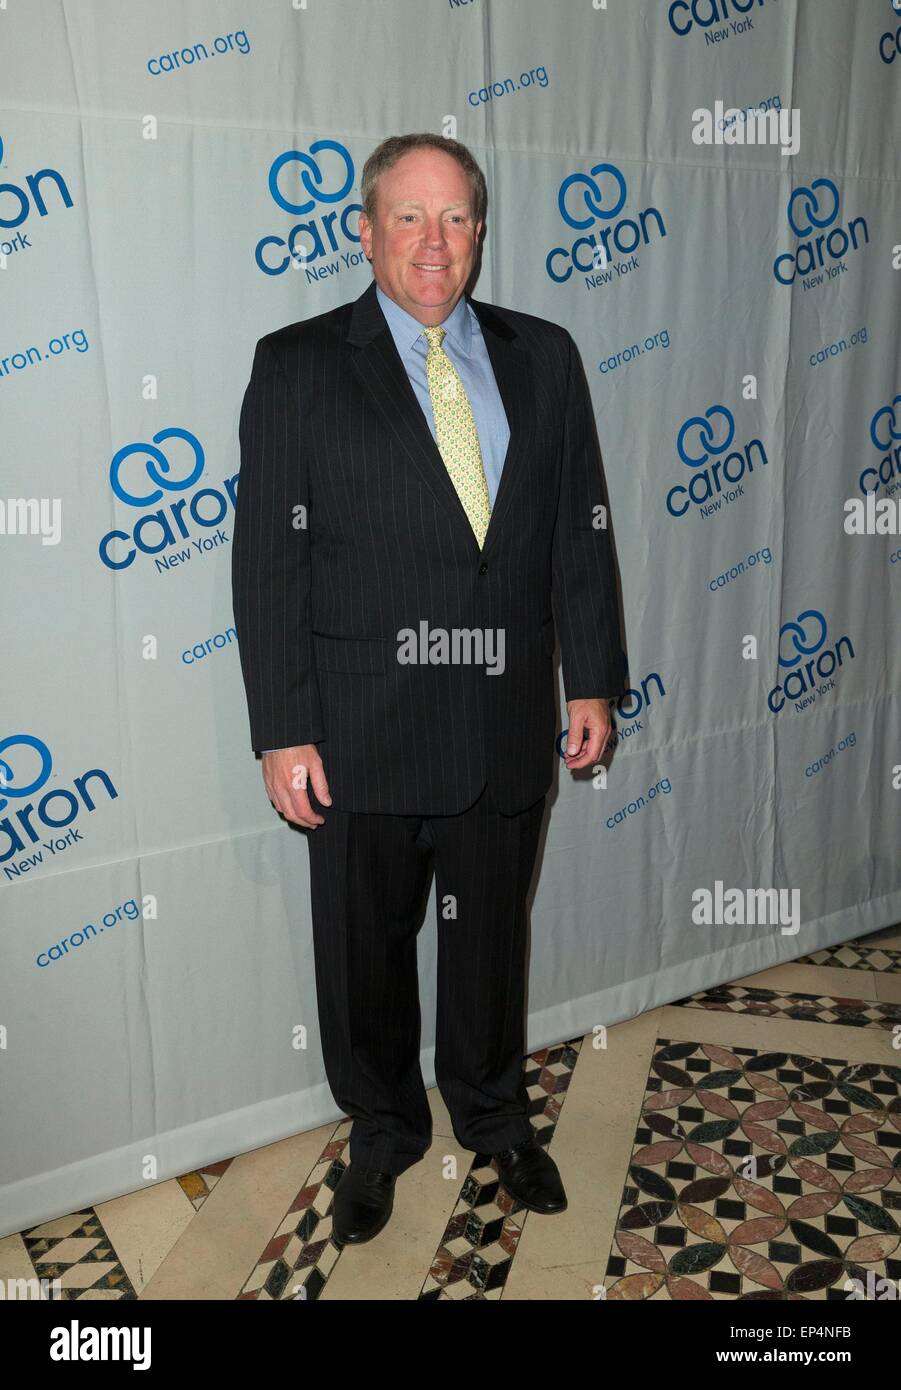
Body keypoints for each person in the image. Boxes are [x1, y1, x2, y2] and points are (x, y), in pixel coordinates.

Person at [231, 132, 624, 1245]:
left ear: (480, 233)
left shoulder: (544, 355)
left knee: (491, 942)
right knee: (364, 954)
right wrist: (283, 729)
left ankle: (496, 1120)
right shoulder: (298, 362)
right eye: (408, 217)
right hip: (359, 730)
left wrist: (589, 680)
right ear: (363, 231)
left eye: (455, 218)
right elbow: (269, 561)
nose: (433, 243)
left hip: (502, 726)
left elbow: (574, 536)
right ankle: (384, 1132)